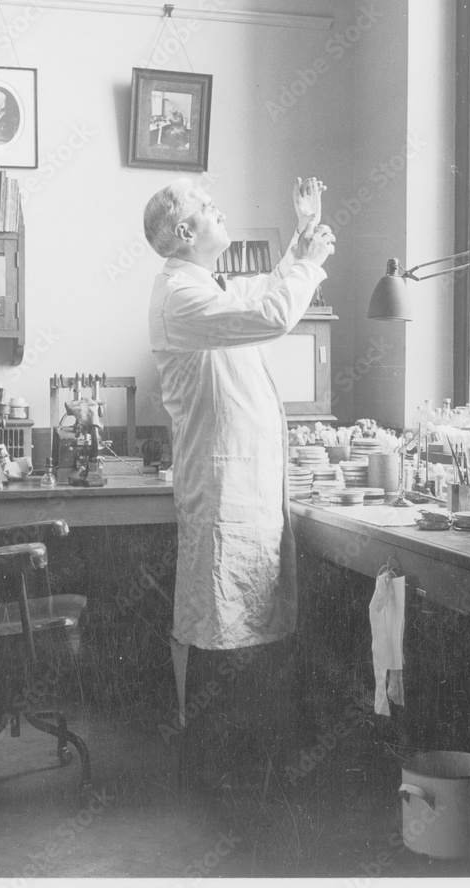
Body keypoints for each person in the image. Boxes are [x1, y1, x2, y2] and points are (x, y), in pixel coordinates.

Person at [145, 175, 335, 790]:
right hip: (227, 493)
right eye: (206, 206)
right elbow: (272, 312)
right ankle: (220, 782)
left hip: (245, 490)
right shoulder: (180, 296)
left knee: (245, 628)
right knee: (223, 631)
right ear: (184, 232)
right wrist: (305, 262)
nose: (218, 208)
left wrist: (301, 243)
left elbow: (259, 293)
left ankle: (242, 775)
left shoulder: (203, 286)